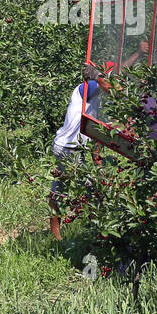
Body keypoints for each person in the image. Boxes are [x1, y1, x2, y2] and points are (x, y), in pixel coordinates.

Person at [48, 63, 103, 238]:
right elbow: (110, 86)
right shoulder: (88, 87)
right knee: (89, 190)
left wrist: (97, 159)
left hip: (71, 148)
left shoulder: (97, 98)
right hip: (68, 149)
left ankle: (57, 235)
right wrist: (97, 76)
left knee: (60, 189)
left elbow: (93, 127)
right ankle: (95, 234)